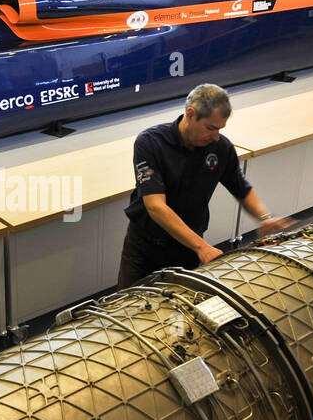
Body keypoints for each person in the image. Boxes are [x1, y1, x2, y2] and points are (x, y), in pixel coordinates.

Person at [117, 84, 293, 288]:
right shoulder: (150, 142)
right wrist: (202, 247)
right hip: (144, 247)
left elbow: (241, 188)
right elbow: (155, 206)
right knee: (127, 308)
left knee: (181, 309)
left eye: (220, 129)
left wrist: (265, 218)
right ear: (191, 114)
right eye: (211, 128)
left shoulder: (220, 148)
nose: (215, 136)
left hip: (186, 248)